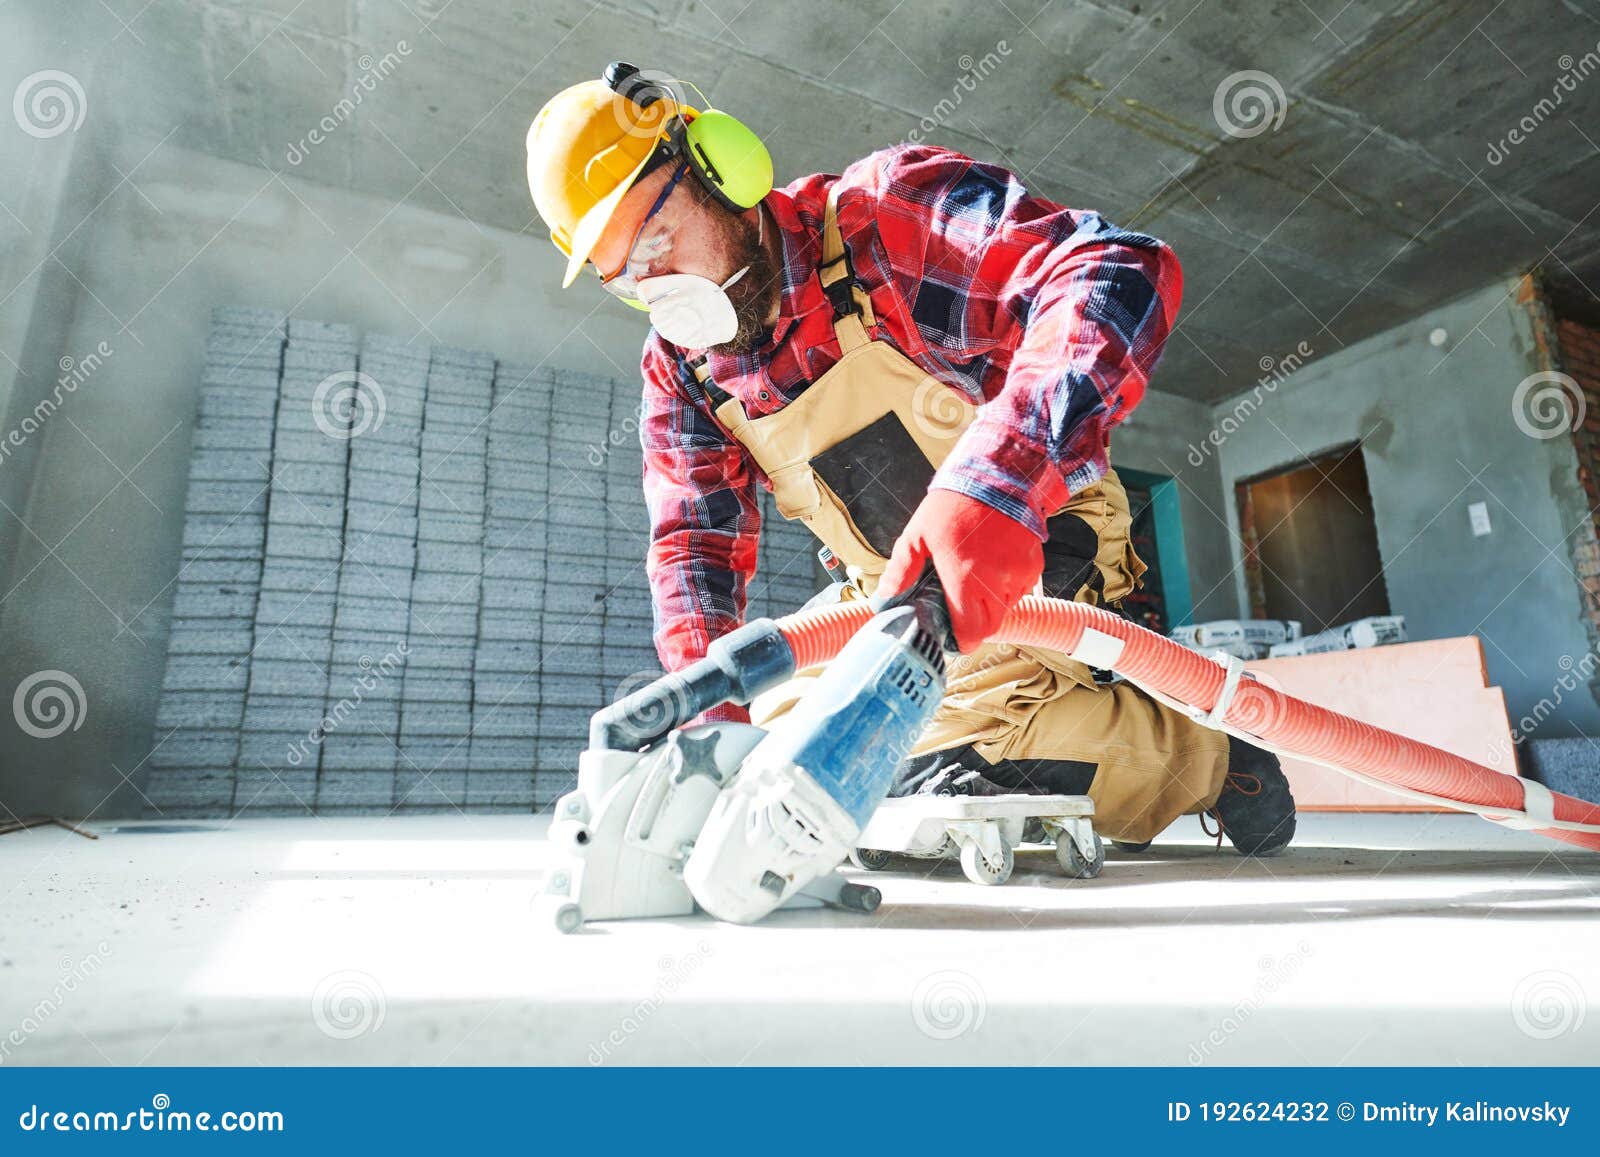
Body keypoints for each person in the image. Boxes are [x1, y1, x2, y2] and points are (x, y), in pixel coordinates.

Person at [525, 63, 1295, 855]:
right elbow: (695, 548)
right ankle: (1014, 723)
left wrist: (1001, 482)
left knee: (943, 729)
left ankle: (1211, 756)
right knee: (777, 729)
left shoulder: (877, 220)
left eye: (656, 240)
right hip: (885, 586)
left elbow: (1111, 271)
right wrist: (710, 737)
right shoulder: (681, 369)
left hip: (1035, 528)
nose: (659, 290)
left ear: (720, 165)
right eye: (626, 279)